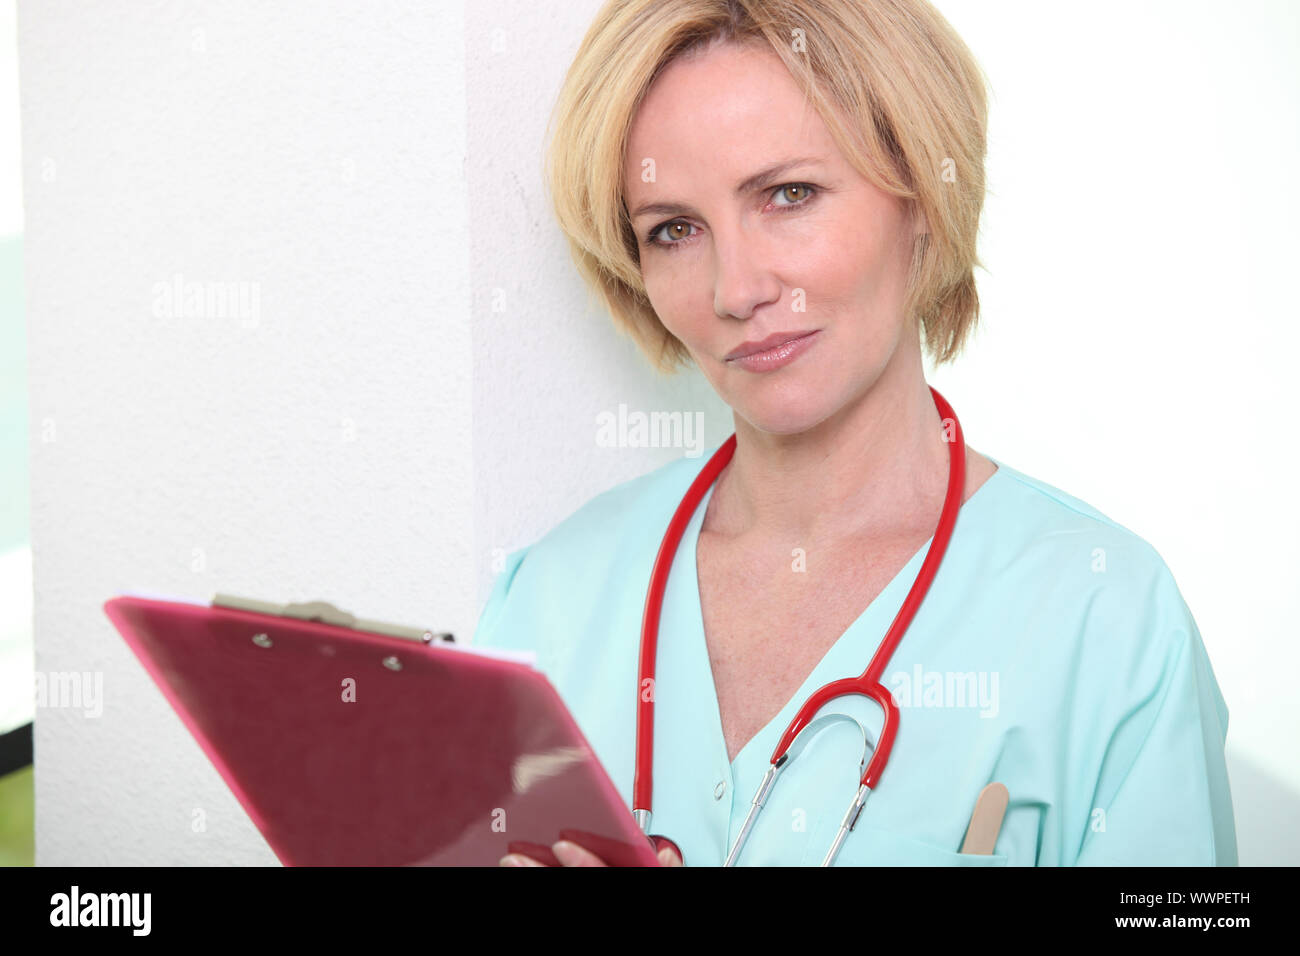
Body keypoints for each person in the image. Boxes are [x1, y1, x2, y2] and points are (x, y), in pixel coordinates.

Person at [477, 0, 1237, 866]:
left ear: (922, 194)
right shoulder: (552, 599)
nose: (736, 287)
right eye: (674, 230)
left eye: (788, 194)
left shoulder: (1109, 621)